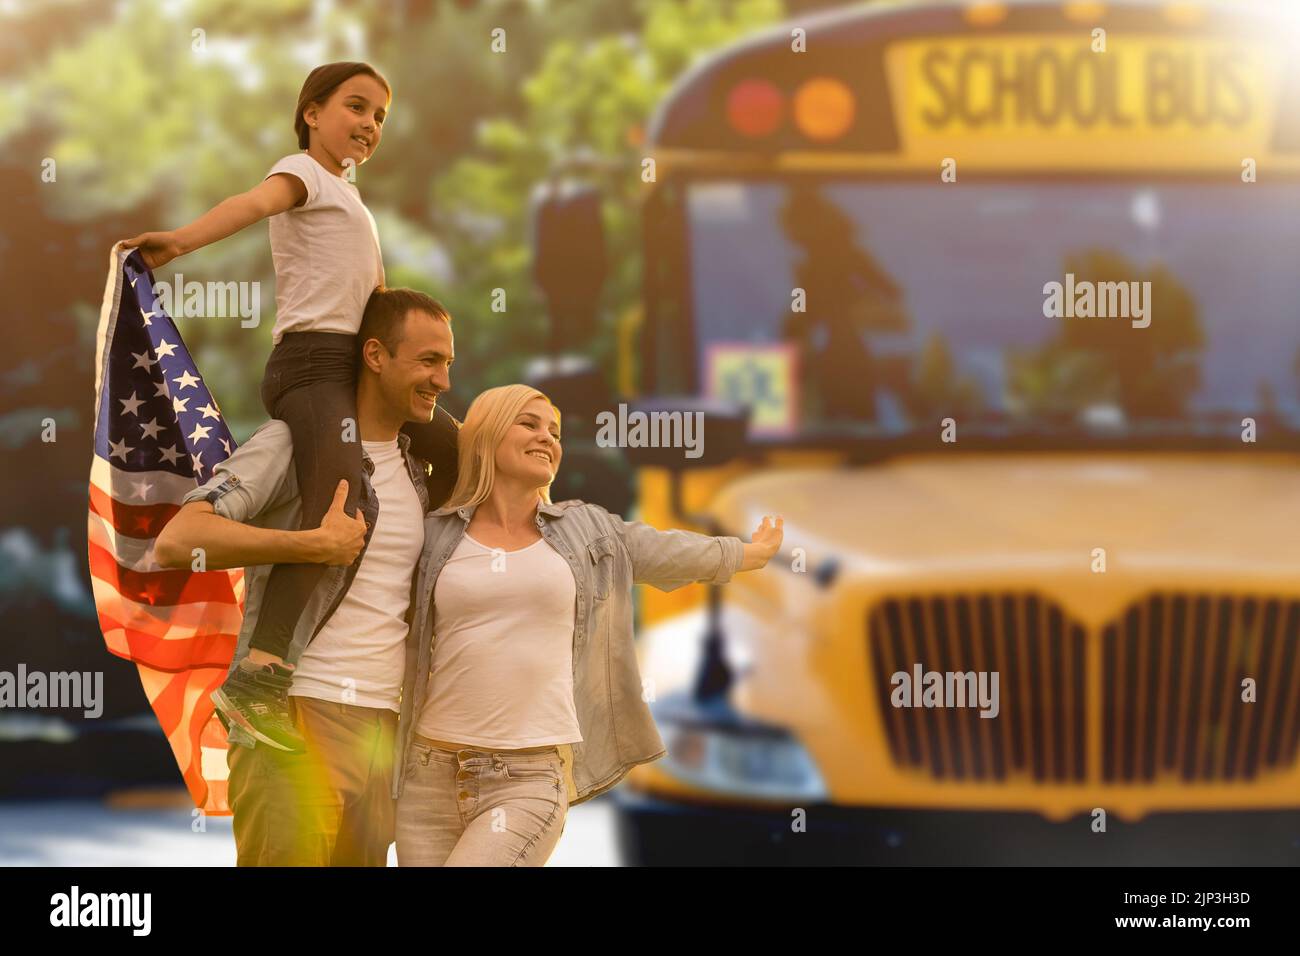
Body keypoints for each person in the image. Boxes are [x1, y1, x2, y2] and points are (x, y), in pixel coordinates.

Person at [124, 61, 459, 753]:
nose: (368, 125)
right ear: (311, 112)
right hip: (312, 368)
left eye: (379, 117)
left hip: (353, 363)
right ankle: (261, 670)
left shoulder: (348, 196)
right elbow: (251, 203)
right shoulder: (302, 173)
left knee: (456, 447)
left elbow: (373, 300)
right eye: (355, 107)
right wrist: (180, 242)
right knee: (338, 505)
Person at [393, 384, 784, 866]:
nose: (547, 438)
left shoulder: (587, 531)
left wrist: (747, 553)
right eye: (530, 424)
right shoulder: (435, 533)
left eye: (554, 432)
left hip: (528, 777)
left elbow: (663, 550)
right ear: (486, 436)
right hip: (428, 772)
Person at [155, 289, 455, 866]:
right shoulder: (293, 444)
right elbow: (178, 541)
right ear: (374, 356)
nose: (442, 380)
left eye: (447, 364)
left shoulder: (419, 468)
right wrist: (310, 545)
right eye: (427, 361)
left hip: (384, 728)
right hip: (294, 715)